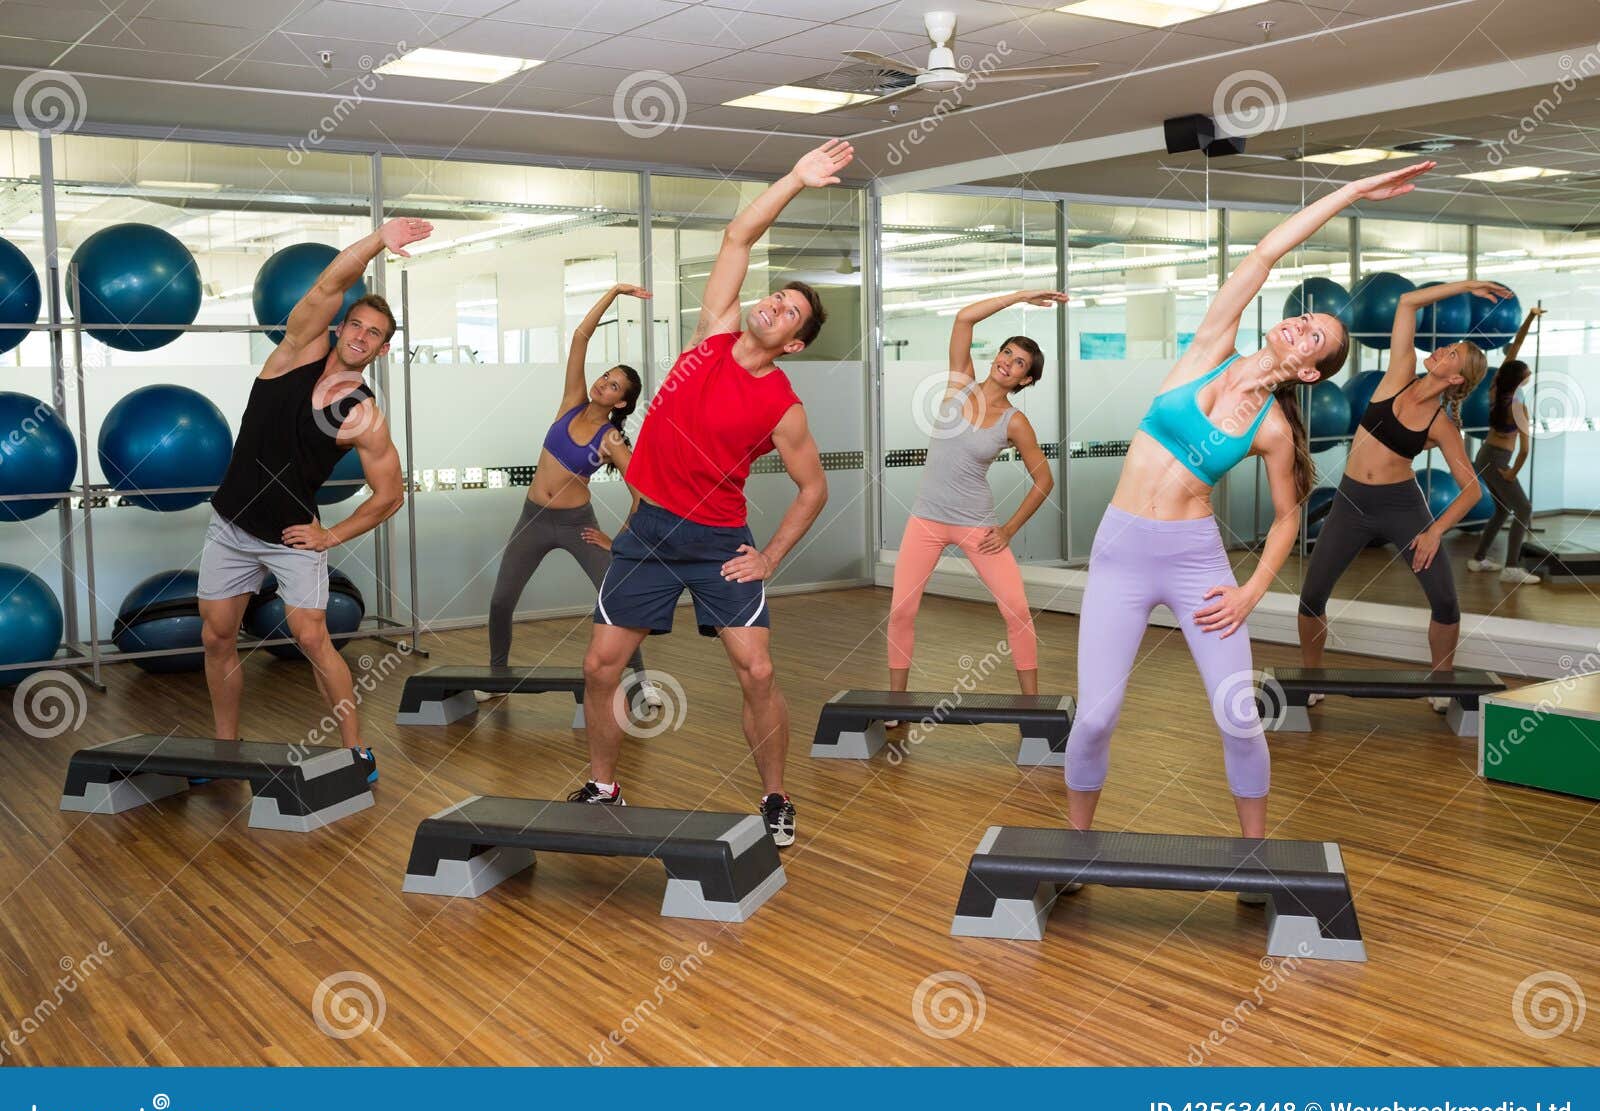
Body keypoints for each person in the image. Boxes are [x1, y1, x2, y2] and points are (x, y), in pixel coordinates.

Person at [1065, 164, 1433, 842]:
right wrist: (1350, 193)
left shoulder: (1270, 429)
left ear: (1312, 370)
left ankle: (1255, 853)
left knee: (1238, 714)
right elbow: (1265, 256)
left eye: (1314, 335)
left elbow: (1290, 516)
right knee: (1094, 717)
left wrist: (1252, 590)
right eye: (1302, 318)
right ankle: (1074, 847)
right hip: (1119, 551)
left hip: (1194, 561)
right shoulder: (1209, 349)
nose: (1300, 326)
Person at [568, 139, 853, 847]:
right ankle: (604, 782)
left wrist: (772, 556)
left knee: (756, 671)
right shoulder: (714, 334)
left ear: (794, 344)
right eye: (777, 297)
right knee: (600, 664)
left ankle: (777, 795)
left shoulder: (783, 406)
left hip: (721, 542)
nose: (773, 306)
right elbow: (738, 235)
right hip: (650, 533)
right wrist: (794, 177)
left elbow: (812, 489)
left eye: (789, 312)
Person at [199, 220, 427, 777]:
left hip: (291, 534)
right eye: (356, 324)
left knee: (311, 637)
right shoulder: (296, 351)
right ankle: (226, 749)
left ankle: (355, 751)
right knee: (216, 636)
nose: (360, 336)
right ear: (342, 325)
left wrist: (331, 535)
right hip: (231, 523)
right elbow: (329, 284)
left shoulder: (363, 415)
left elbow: (390, 495)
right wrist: (379, 239)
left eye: (374, 333)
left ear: (383, 347)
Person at [1298, 278, 1504, 712]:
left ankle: (1441, 682)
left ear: (1454, 376)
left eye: (1453, 354)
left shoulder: (1441, 425)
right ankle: (1311, 678)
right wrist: (1468, 286)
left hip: (1402, 506)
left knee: (1446, 601)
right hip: (1351, 502)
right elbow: (1408, 302)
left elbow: (1471, 489)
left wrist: (1434, 532)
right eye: (1451, 346)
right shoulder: (1398, 373)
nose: (1445, 349)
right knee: (1313, 593)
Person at [482, 283, 660, 708]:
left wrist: (617, 542)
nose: (604, 384)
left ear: (623, 402)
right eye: (606, 376)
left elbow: (643, 496)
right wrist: (614, 291)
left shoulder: (612, 439)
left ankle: (642, 680)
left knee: (614, 600)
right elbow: (581, 337)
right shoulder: (570, 403)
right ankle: (496, 677)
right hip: (532, 519)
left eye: (615, 385)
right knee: (502, 599)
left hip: (577, 524)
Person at [886, 290, 1063, 704]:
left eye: (1019, 362)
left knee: (1017, 611)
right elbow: (964, 319)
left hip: (977, 526)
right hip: (926, 520)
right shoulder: (958, 385)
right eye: (1006, 352)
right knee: (901, 612)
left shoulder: (1014, 422)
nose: (1007, 361)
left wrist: (1008, 529)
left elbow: (1044, 481)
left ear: (1026, 380)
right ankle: (894, 703)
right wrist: (1021, 296)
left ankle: (1032, 708)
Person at [1468, 306, 1546, 584]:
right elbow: (1524, 450)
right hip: (1499, 459)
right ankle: (1511, 568)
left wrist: (1531, 317)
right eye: (1526, 370)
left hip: (1484, 457)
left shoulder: (1496, 388)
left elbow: (1516, 345)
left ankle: (1478, 559)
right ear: (1521, 378)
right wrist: (1512, 472)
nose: (1528, 369)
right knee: (1523, 510)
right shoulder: (1518, 406)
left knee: (1503, 510)